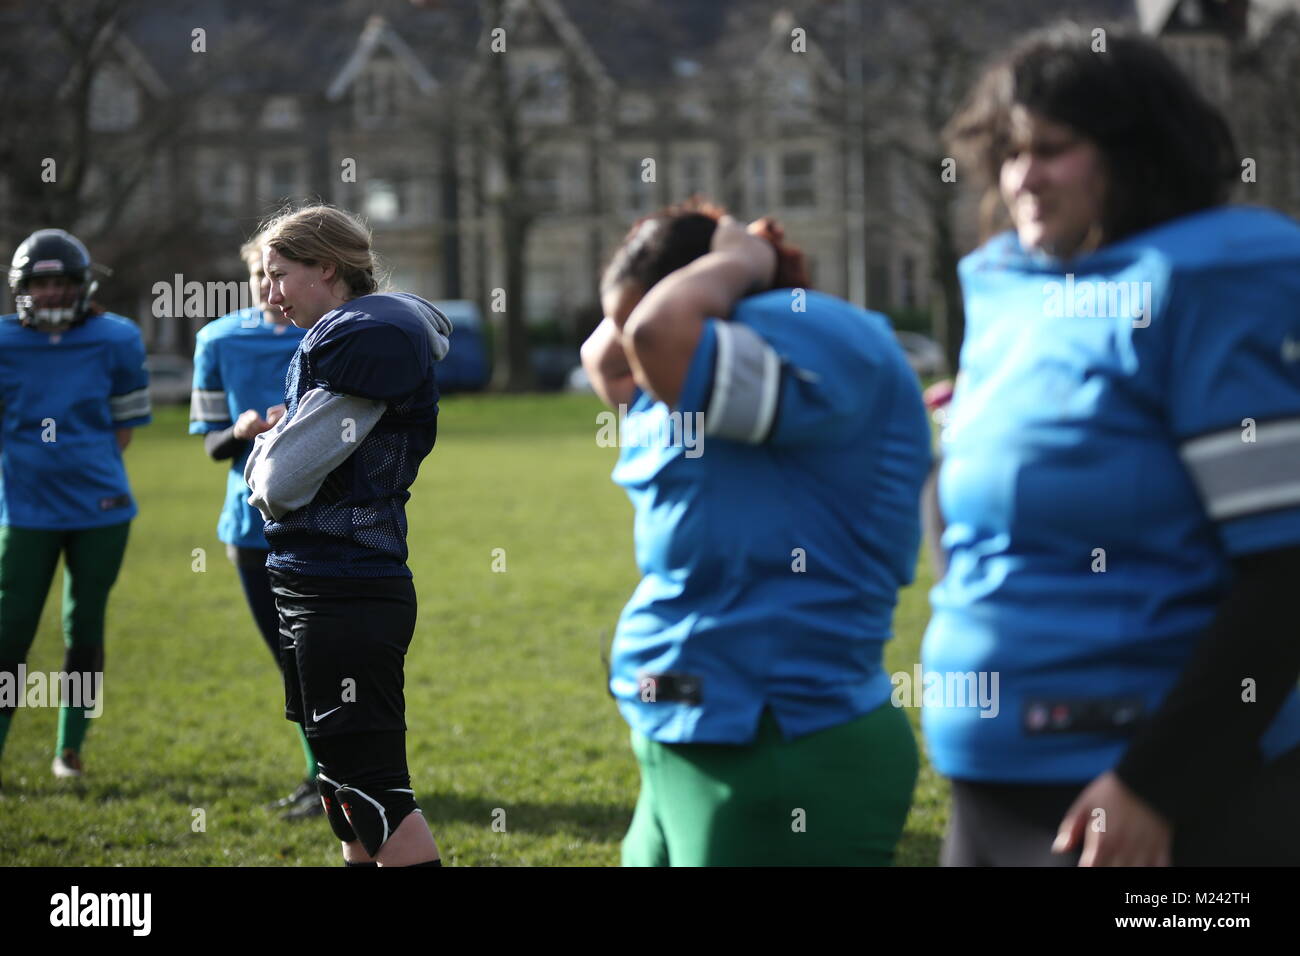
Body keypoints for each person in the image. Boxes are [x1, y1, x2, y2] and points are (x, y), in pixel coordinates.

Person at [926, 23, 1300, 866]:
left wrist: (1158, 782)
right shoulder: (1011, 290)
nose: (1021, 178)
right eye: (1009, 152)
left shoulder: (1215, 278)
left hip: (1158, 797)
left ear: (1139, 156)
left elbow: (1286, 569)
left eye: (1052, 150)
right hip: (990, 779)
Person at [582, 201, 932, 866]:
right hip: (686, 730)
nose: (627, 347)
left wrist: (746, 259)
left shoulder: (817, 337)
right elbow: (608, 356)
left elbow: (653, 333)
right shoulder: (684, 362)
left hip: (777, 740)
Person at [243, 204, 453, 867]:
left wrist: (269, 442)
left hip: (348, 588)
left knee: (377, 795)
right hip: (323, 582)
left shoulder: (364, 342)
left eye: (280, 274)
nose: (269, 293)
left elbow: (274, 482)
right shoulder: (350, 338)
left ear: (327, 267)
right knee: (342, 793)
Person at [0, 229, 151, 787]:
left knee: (82, 626)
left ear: (82, 285)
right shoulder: (4, 342)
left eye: (63, 282)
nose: (54, 293)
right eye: (42, 284)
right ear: (23, 288)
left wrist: (78, 471)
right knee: (10, 631)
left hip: (101, 510)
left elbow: (123, 430)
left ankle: (70, 748)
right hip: (25, 510)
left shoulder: (116, 338)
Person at [189, 234, 317, 819]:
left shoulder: (327, 331)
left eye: (280, 275)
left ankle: (338, 780)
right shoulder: (216, 340)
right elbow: (210, 443)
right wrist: (241, 433)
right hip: (248, 529)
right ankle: (322, 779)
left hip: (320, 522)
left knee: (321, 658)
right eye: (260, 276)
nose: (270, 289)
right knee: (287, 660)